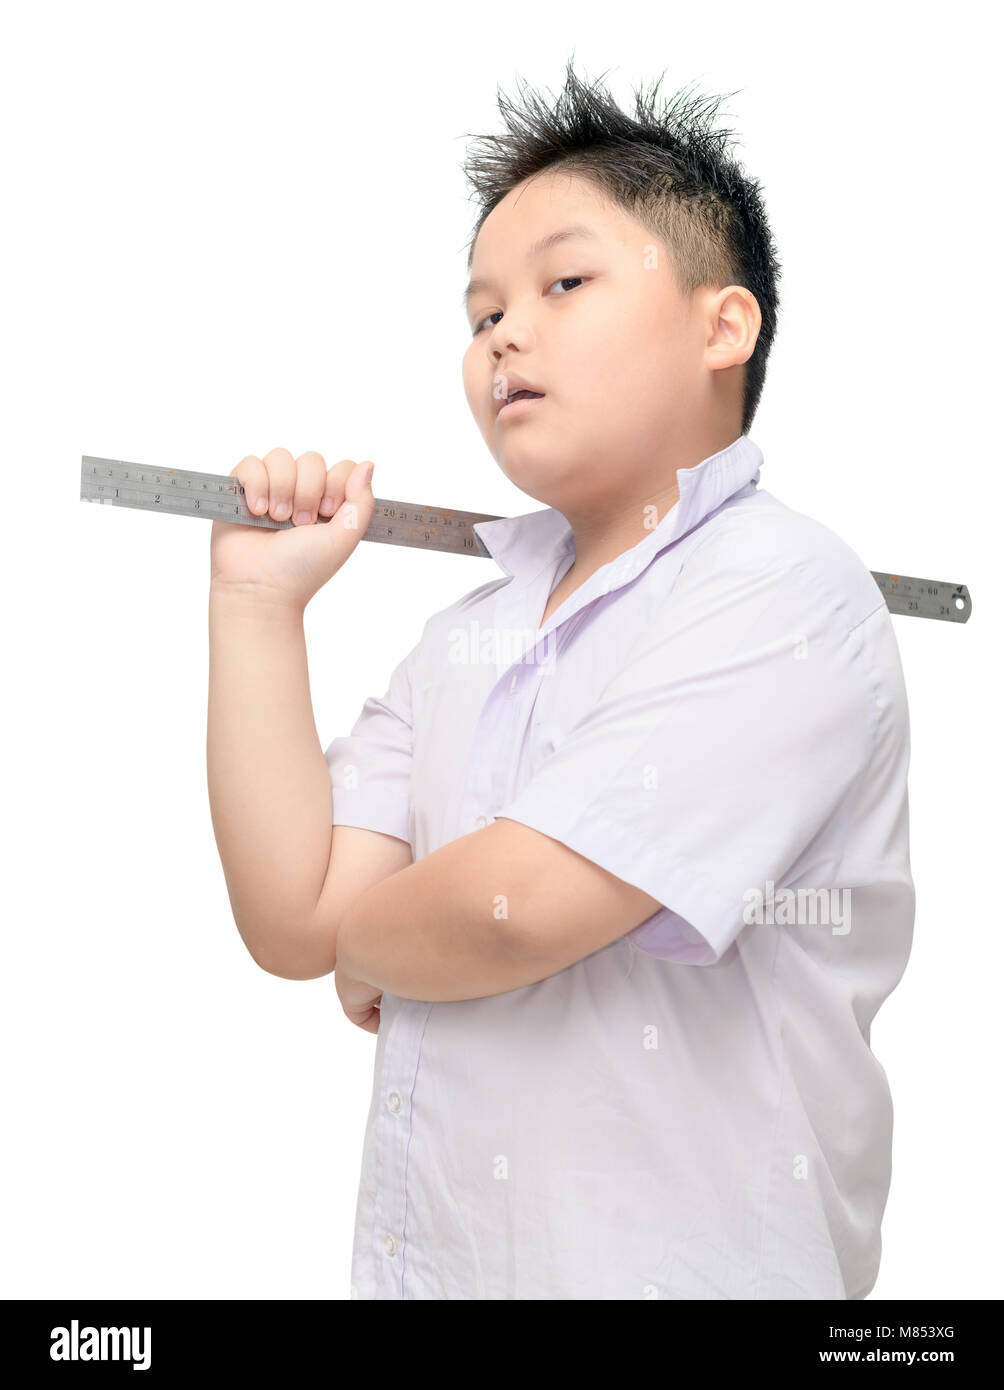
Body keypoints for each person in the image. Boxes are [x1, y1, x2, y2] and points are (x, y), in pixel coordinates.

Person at [206, 60, 914, 1300]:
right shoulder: (465, 637)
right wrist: (256, 607)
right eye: (481, 315)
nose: (504, 335)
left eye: (563, 283)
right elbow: (291, 915)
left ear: (719, 325)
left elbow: (515, 909)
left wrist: (367, 944)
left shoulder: (782, 590)